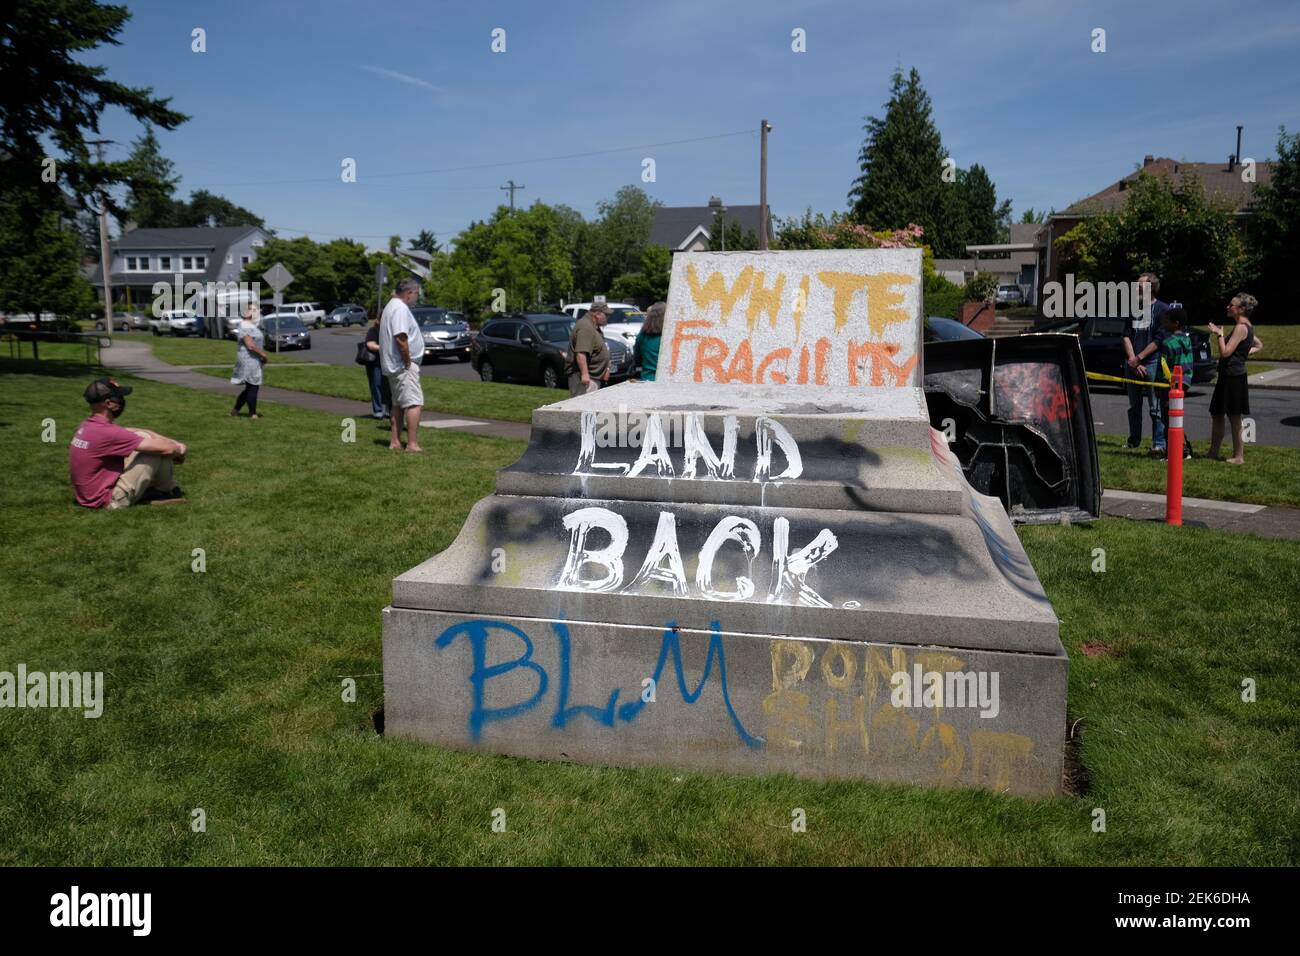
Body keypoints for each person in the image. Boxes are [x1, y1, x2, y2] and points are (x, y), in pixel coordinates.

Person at [69, 378, 188, 509]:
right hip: (110, 501)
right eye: (119, 398)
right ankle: (166, 490)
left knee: (145, 438)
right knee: (155, 451)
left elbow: (130, 432)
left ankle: (164, 490)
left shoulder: (88, 426)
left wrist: (149, 432)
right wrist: (180, 448)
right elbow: (168, 450)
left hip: (89, 496)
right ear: (108, 404)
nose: (122, 401)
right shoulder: (110, 433)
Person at [1207, 293, 1262, 465]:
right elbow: (1258, 345)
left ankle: (1239, 456)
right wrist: (1243, 354)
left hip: (1233, 376)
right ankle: (1213, 452)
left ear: (1242, 309)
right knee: (1217, 413)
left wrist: (1219, 334)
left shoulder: (1241, 327)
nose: (1228, 307)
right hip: (1229, 375)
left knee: (1234, 416)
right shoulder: (1245, 326)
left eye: (1231, 305)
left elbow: (1225, 353)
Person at [1122, 272, 1168, 452]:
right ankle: (1134, 440)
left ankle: (1158, 444)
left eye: (1139, 286)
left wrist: (1140, 358)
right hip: (1132, 362)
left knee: (1155, 407)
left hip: (1152, 363)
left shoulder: (1162, 310)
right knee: (1134, 406)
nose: (1136, 289)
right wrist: (1133, 360)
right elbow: (1126, 336)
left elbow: (1159, 340)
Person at [379, 278, 425, 452]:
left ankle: (395, 441)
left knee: (397, 404)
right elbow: (401, 337)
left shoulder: (391, 306)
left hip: (393, 365)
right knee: (414, 403)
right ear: (409, 293)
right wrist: (407, 361)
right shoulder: (399, 309)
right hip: (402, 365)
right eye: (416, 294)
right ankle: (412, 444)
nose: (417, 298)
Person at [1154, 306, 1194, 460]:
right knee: (1176, 418)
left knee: (1167, 418)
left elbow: (1163, 366)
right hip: (1185, 381)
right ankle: (1180, 450)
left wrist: (1159, 382)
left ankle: (1174, 451)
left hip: (1170, 384)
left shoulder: (1168, 342)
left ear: (1175, 323)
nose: (1163, 321)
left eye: (1166, 320)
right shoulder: (1187, 339)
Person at [230, 304, 268, 419]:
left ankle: (235, 410)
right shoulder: (245, 325)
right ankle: (253, 414)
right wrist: (263, 355)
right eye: (254, 310)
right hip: (249, 359)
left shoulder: (252, 325)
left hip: (254, 359)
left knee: (250, 387)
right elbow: (250, 345)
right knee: (253, 385)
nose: (257, 312)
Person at [566, 301, 611, 396]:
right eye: (606, 315)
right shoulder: (585, 327)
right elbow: (581, 353)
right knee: (585, 409)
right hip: (586, 379)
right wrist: (585, 374)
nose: (608, 317)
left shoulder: (593, 326)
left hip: (593, 377)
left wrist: (606, 369)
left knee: (590, 408)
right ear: (598, 313)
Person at [363, 313, 391, 420]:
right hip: (375, 363)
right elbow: (370, 344)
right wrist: (384, 348)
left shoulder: (390, 331)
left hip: (388, 363)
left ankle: (389, 410)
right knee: (376, 385)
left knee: (389, 388)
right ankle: (378, 410)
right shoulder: (373, 331)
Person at [633, 301, 665, 382]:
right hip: (666, 380)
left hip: (647, 378)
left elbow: (637, 359)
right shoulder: (669, 337)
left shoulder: (642, 336)